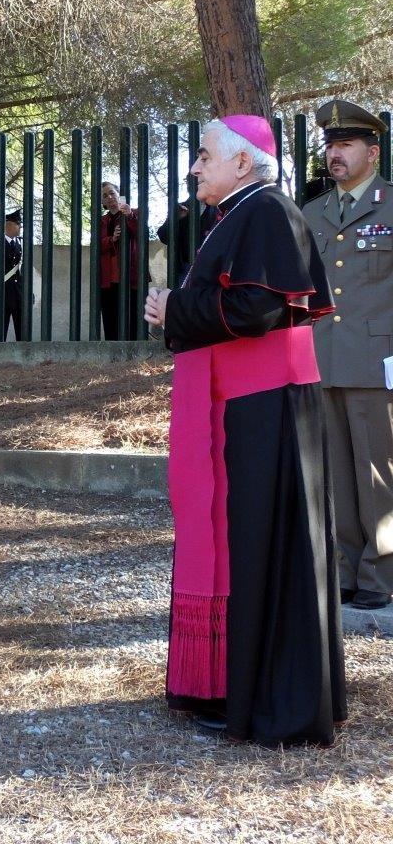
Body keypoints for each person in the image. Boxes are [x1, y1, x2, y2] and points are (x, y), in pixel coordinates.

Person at [144, 114, 345, 747]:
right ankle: (229, 682)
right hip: (244, 405)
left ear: (244, 162)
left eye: (204, 156)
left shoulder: (265, 211)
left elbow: (257, 309)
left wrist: (175, 307)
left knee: (258, 544)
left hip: (267, 409)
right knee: (235, 545)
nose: (195, 166)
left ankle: (266, 696)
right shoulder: (237, 213)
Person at [301, 99, 393, 611]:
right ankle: (345, 568)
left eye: (345, 145)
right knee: (334, 472)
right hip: (323, 359)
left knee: (377, 473)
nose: (333, 154)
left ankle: (380, 573)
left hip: (378, 361)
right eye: (330, 145)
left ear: (371, 152)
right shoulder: (312, 213)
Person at [98, 183, 145, 340]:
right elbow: (96, 245)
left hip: (130, 275)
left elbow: (142, 234)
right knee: (111, 320)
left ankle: (134, 356)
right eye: (105, 196)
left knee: (133, 317)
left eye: (112, 193)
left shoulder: (134, 213)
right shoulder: (101, 221)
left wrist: (130, 216)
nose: (110, 197)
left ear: (119, 194)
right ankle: (113, 356)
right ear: (103, 203)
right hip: (108, 278)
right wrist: (112, 239)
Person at [0, 209, 25, 340]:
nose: (20, 227)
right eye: (18, 223)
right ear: (9, 225)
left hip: (18, 295)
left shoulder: (19, 244)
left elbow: (19, 271)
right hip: (1, 294)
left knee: (22, 333)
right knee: (0, 334)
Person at [156, 198, 216, 283]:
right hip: (184, 267)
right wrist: (175, 218)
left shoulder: (217, 208)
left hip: (210, 266)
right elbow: (164, 237)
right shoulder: (180, 207)